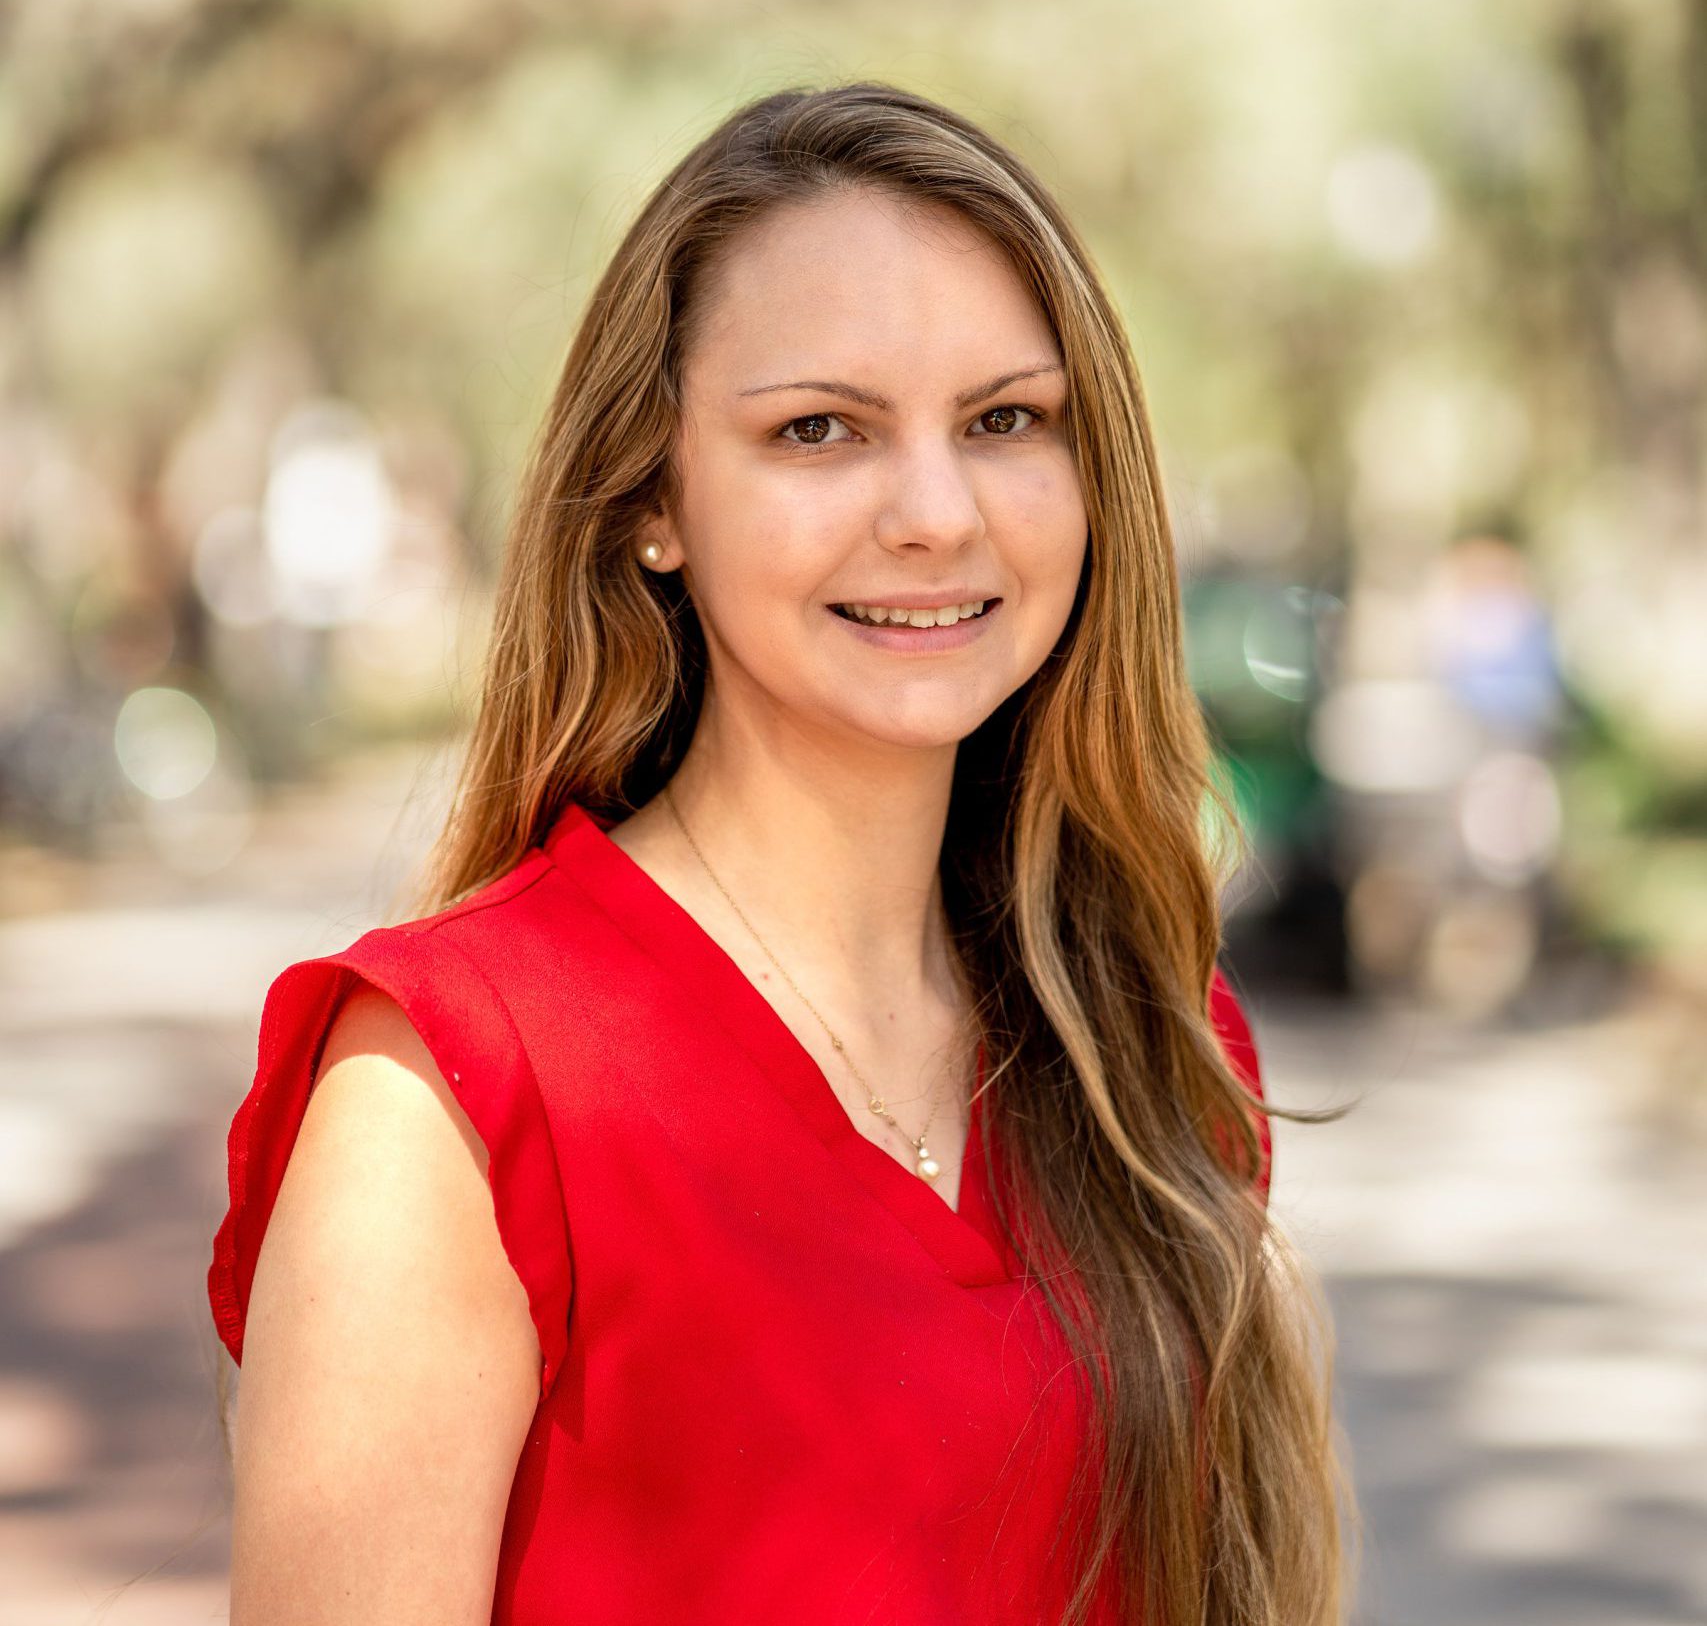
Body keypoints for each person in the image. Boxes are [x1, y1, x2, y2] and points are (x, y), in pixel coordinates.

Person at [206, 81, 1353, 1626]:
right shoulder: (451, 1092)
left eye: (1005, 419)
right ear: (652, 500)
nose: (937, 513)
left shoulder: (1149, 1046)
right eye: (821, 429)